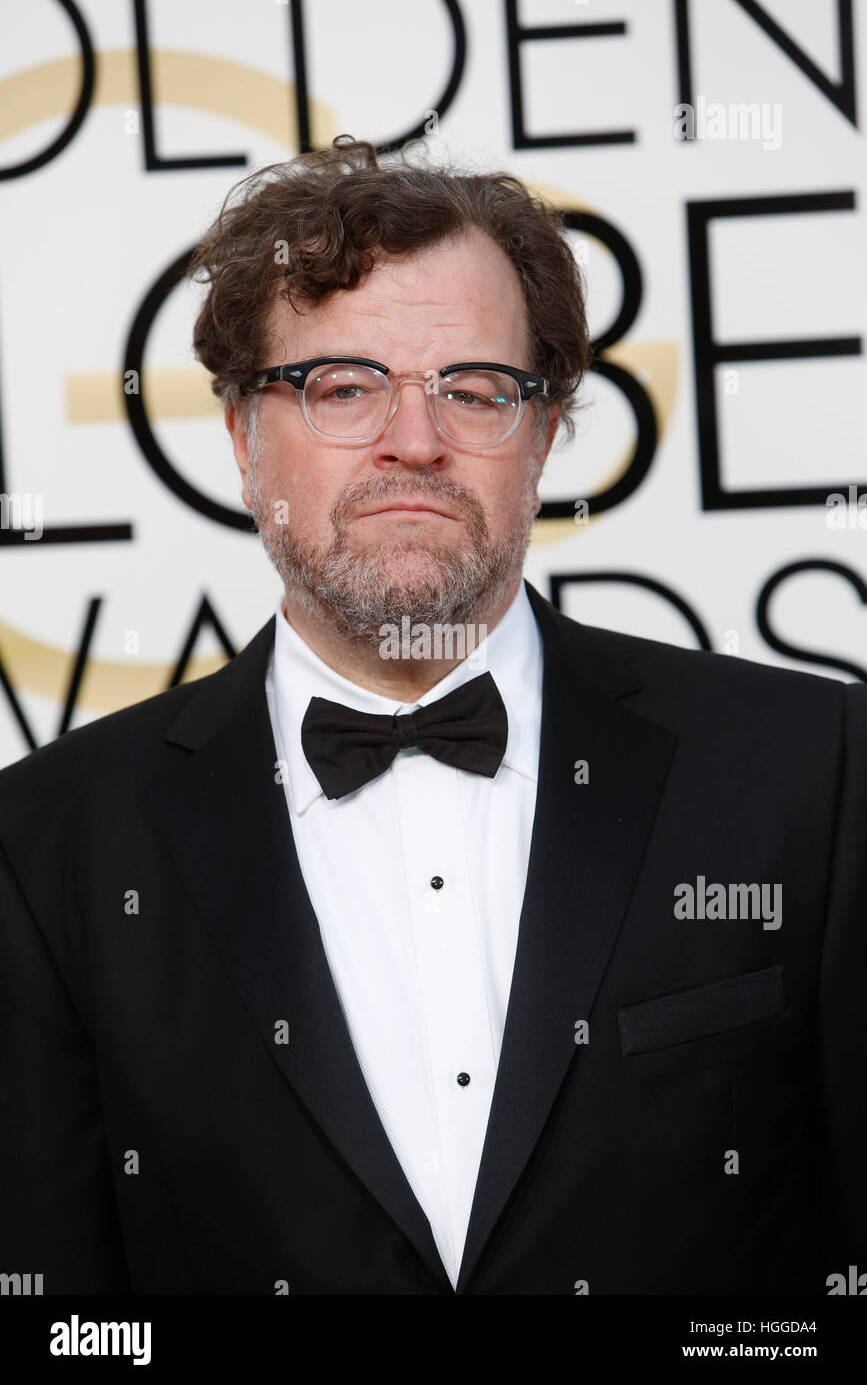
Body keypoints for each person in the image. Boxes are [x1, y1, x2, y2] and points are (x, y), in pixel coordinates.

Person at [0, 137, 864, 1296]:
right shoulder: (49, 843)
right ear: (244, 439)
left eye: (474, 389)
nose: (416, 441)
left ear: (545, 435)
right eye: (343, 387)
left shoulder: (813, 773)